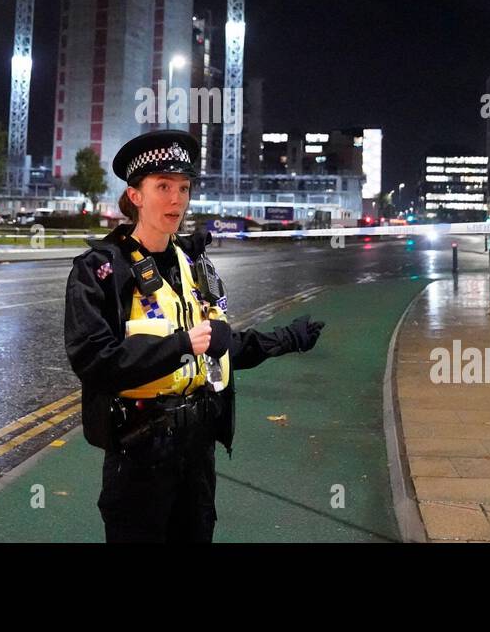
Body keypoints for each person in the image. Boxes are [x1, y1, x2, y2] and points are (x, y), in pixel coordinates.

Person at [64, 129, 324, 542]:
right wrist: (182, 345)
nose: (176, 200)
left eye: (183, 188)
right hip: (139, 452)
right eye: (162, 187)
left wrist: (286, 340)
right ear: (135, 195)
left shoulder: (193, 264)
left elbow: (219, 346)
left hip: (196, 449)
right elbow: (96, 363)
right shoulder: (100, 269)